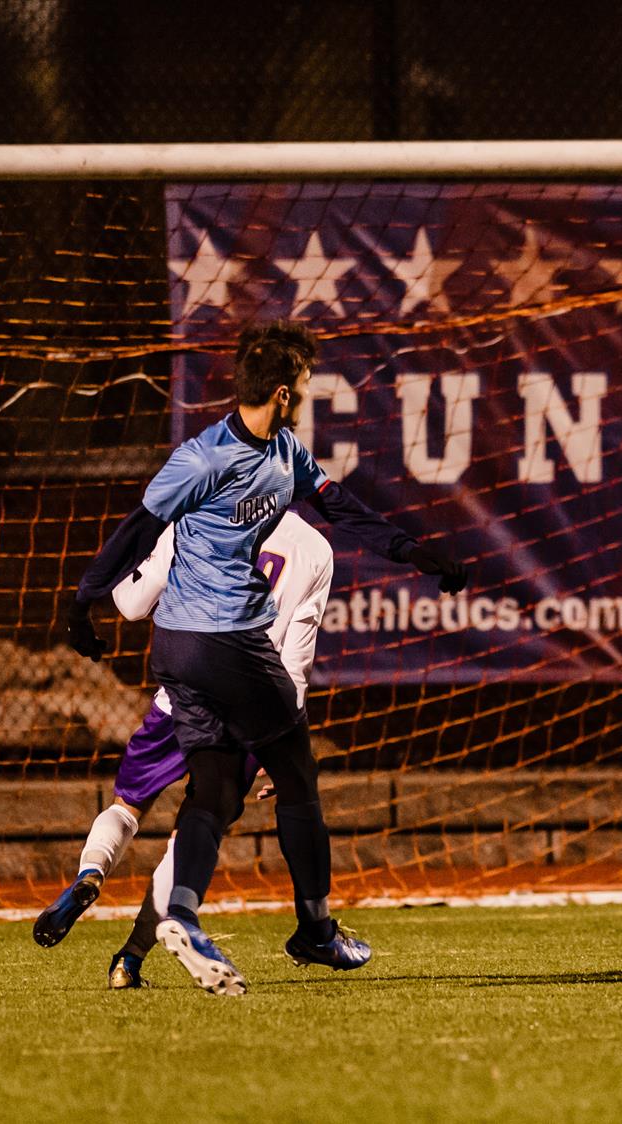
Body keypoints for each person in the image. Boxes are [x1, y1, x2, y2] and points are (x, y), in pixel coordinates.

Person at [65, 320, 468, 995]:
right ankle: (314, 929)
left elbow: (338, 504)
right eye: (305, 385)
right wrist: (81, 598)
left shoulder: (284, 451)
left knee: (214, 788)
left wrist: (409, 550)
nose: (308, 394)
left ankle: (182, 915)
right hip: (236, 644)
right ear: (282, 392)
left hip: (179, 653)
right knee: (298, 775)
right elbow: (138, 525)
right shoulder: (203, 458)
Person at [33, 511, 331, 991]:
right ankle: (129, 959)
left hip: (182, 696)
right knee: (193, 832)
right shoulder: (314, 547)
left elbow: (130, 605)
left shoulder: (195, 518)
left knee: (127, 806)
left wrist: (135, 557)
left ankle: (91, 873)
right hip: (254, 711)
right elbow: (297, 661)